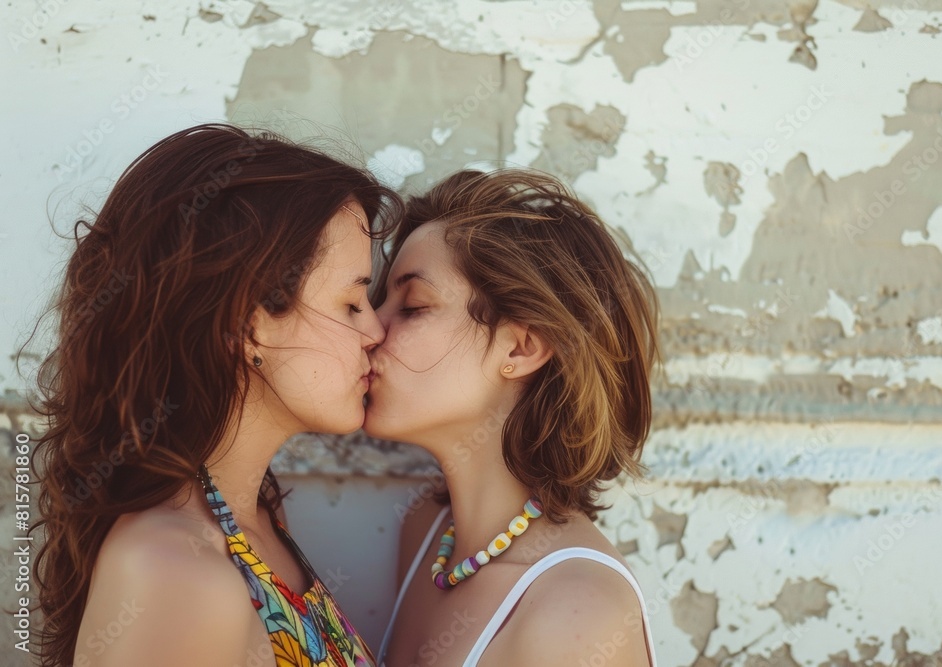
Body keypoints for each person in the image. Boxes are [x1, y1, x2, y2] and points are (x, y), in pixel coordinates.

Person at [28, 123, 400, 666]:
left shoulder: (253, 524)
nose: (376, 332)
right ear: (250, 322)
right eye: (352, 303)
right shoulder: (176, 574)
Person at [363, 169, 660, 666]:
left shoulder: (576, 612)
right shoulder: (426, 533)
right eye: (378, 300)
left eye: (412, 306)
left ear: (521, 347)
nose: (371, 328)